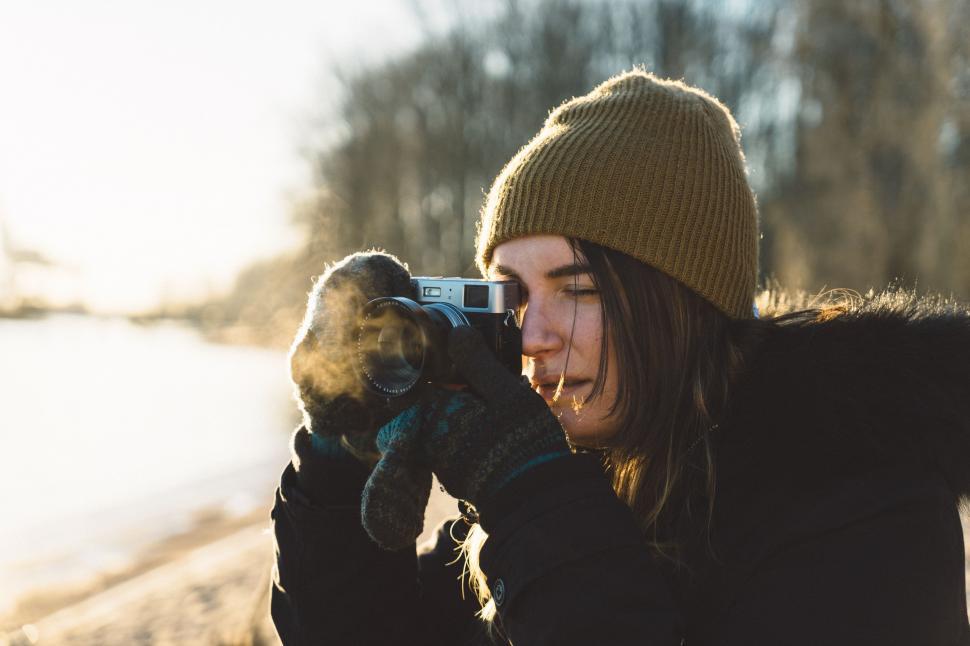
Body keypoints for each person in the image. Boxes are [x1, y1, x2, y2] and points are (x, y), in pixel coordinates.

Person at [269, 70, 970, 645]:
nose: (533, 334)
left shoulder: (862, 498)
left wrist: (531, 497)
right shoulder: (577, 478)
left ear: (684, 300)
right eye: (511, 296)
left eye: (577, 290)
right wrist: (337, 459)